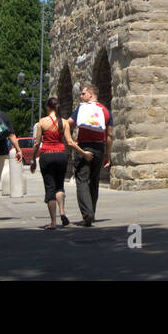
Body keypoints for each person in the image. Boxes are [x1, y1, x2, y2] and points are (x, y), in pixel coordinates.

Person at [30, 97, 82, 229]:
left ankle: (53, 222)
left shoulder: (42, 122)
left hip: (46, 155)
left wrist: (33, 159)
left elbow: (36, 143)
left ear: (48, 107)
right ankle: (62, 212)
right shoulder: (64, 122)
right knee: (59, 185)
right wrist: (83, 152)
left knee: (50, 188)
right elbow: (69, 142)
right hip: (61, 155)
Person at [68, 84, 113, 227]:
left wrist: (69, 139)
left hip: (83, 146)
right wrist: (108, 154)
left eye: (83, 94)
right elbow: (110, 135)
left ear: (91, 94)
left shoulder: (82, 108)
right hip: (99, 147)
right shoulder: (106, 111)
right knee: (94, 180)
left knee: (82, 180)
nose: (81, 96)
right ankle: (92, 213)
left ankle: (87, 213)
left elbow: (69, 124)